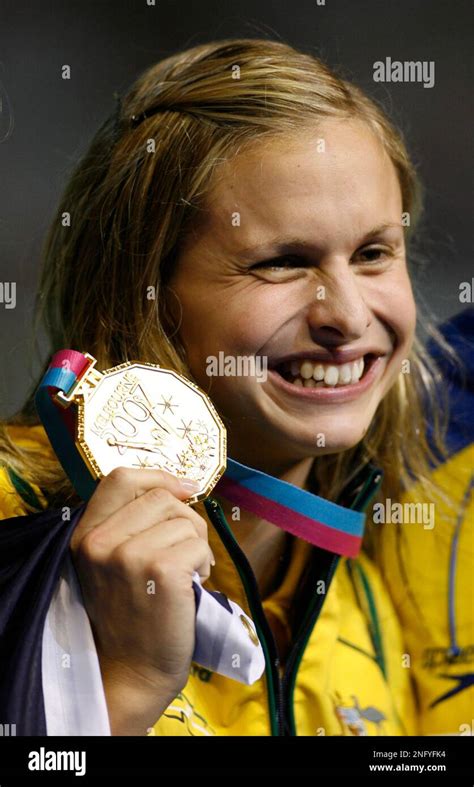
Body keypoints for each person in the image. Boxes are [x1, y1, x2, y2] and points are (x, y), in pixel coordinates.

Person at [0, 38, 471, 737]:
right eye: (281, 263)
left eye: (373, 253)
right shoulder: (12, 519)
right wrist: (122, 690)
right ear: (149, 294)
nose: (346, 315)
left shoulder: (382, 578)